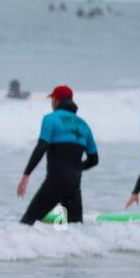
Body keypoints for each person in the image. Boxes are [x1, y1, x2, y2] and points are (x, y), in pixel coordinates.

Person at [17, 85, 99, 224]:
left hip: (56, 180)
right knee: (75, 229)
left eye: (52, 99)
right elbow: (94, 159)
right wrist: (75, 168)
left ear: (56, 100)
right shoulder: (84, 125)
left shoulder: (51, 119)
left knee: (27, 223)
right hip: (74, 183)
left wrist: (26, 174)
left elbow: (42, 146)